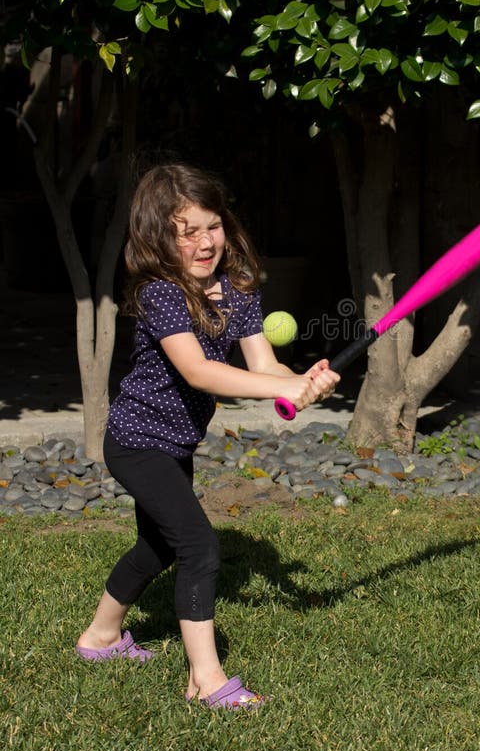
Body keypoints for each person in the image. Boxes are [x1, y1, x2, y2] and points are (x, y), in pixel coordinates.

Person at [76, 162, 339, 710]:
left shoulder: (238, 291)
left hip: (175, 444)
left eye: (211, 225)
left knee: (158, 545)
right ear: (157, 238)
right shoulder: (160, 294)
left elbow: (261, 366)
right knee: (199, 546)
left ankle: (100, 638)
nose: (204, 241)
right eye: (185, 230)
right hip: (135, 441)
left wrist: (302, 385)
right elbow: (199, 371)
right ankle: (207, 680)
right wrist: (284, 384)